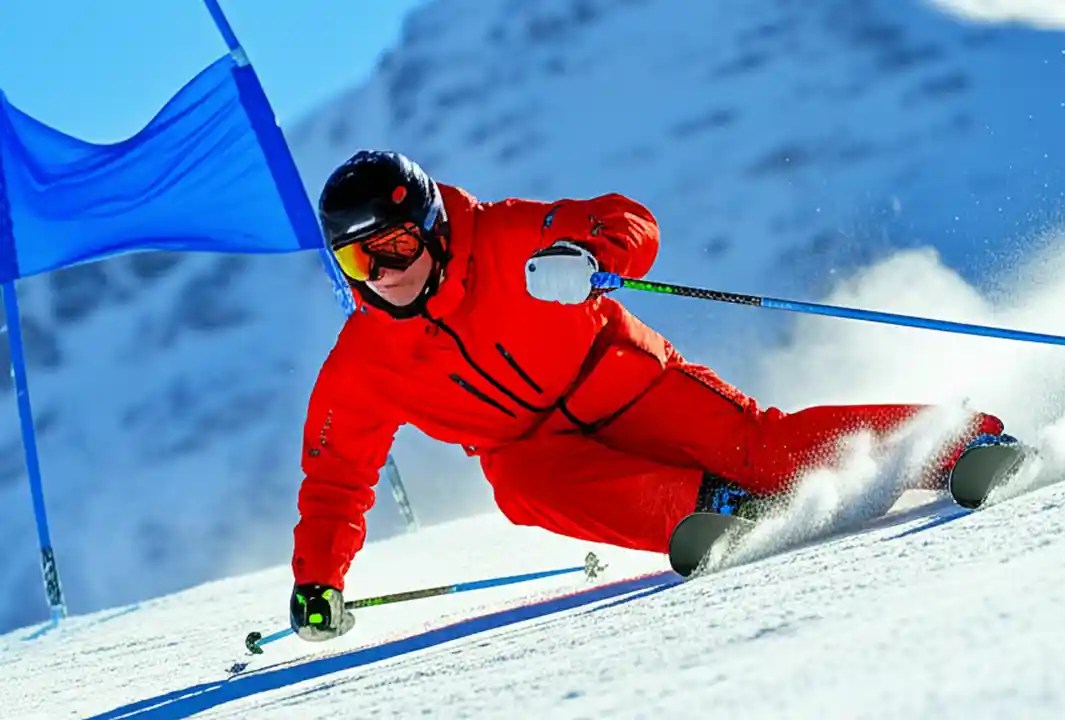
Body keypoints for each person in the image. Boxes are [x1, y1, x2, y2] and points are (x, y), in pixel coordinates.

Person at [288, 149, 1006, 641]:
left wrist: (588, 256)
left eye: (398, 246)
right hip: (538, 450)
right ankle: (714, 511)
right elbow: (333, 481)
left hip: (627, 380)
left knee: (765, 452)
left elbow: (623, 216)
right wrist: (317, 582)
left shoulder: (506, 235)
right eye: (360, 257)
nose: (386, 273)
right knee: (515, 483)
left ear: (436, 230)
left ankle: (961, 444)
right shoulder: (364, 363)